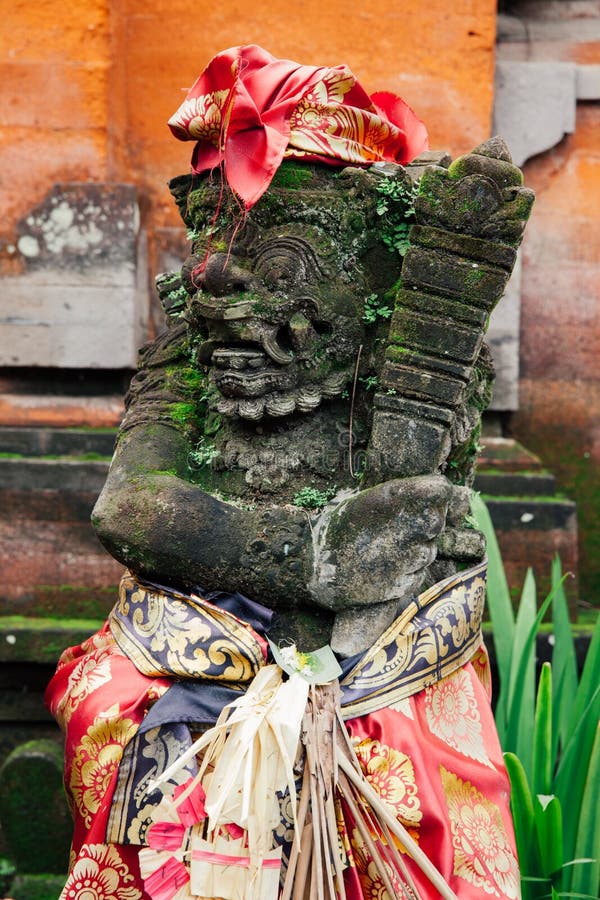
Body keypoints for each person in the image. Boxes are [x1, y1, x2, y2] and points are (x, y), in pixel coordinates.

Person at [47, 46, 529, 900]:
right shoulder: (185, 354)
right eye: (216, 274)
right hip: (197, 624)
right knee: (109, 706)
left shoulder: (416, 368)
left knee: (399, 762)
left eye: (283, 271)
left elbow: (409, 523)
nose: (230, 314)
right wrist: (309, 554)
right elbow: (129, 506)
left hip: (382, 645)